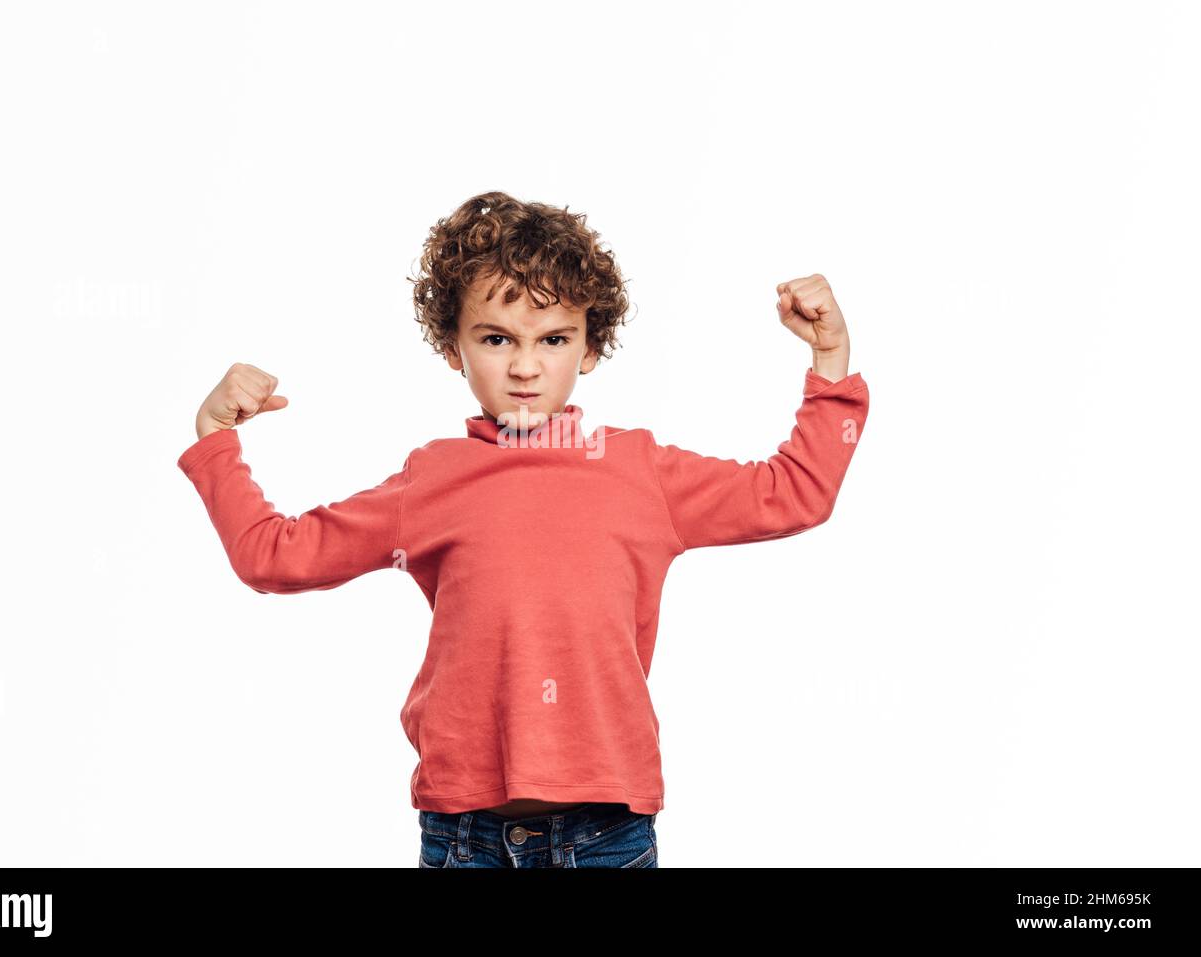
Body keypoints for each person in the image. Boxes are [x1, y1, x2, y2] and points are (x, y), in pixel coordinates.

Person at [176, 191, 871, 867]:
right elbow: (275, 555)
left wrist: (830, 361)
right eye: (496, 338)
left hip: (608, 836)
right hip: (465, 838)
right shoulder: (432, 479)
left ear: (591, 345)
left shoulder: (641, 472)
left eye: (555, 339)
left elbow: (794, 494)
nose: (525, 366)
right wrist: (215, 440)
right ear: (454, 345)